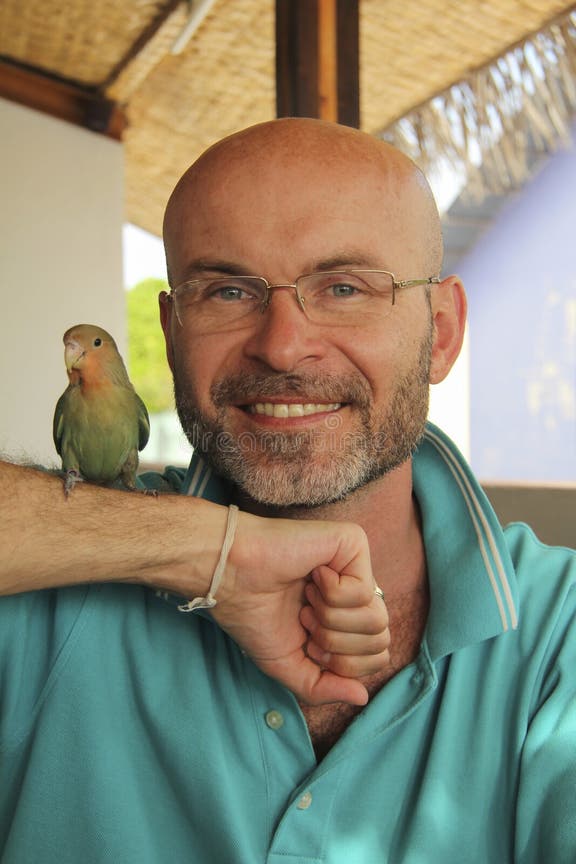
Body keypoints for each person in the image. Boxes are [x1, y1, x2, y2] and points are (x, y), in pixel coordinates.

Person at [0, 118, 574, 864]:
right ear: (172, 332)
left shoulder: (560, 633)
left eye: (342, 287)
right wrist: (206, 551)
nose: (280, 343)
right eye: (228, 290)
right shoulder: (53, 586)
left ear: (441, 332)